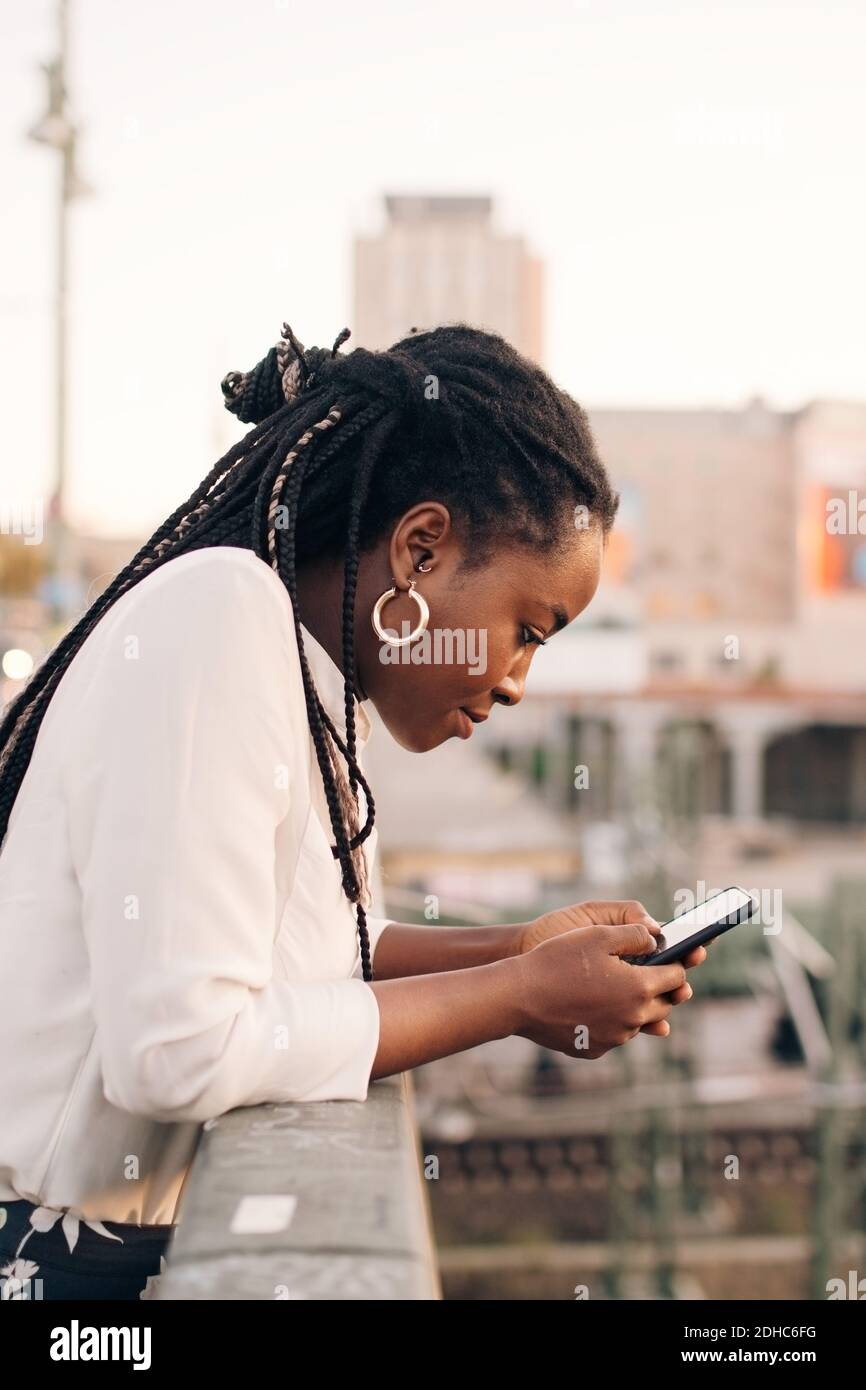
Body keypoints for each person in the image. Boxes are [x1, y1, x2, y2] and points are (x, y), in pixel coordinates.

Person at [0, 321, 704, 1299]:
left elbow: (312, 954)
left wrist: (521, 951)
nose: (515, 685)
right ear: (420, 548)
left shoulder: (302, 678)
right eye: (525, 630)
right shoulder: (220, 614)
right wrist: (516, 997)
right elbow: (178, 1049)